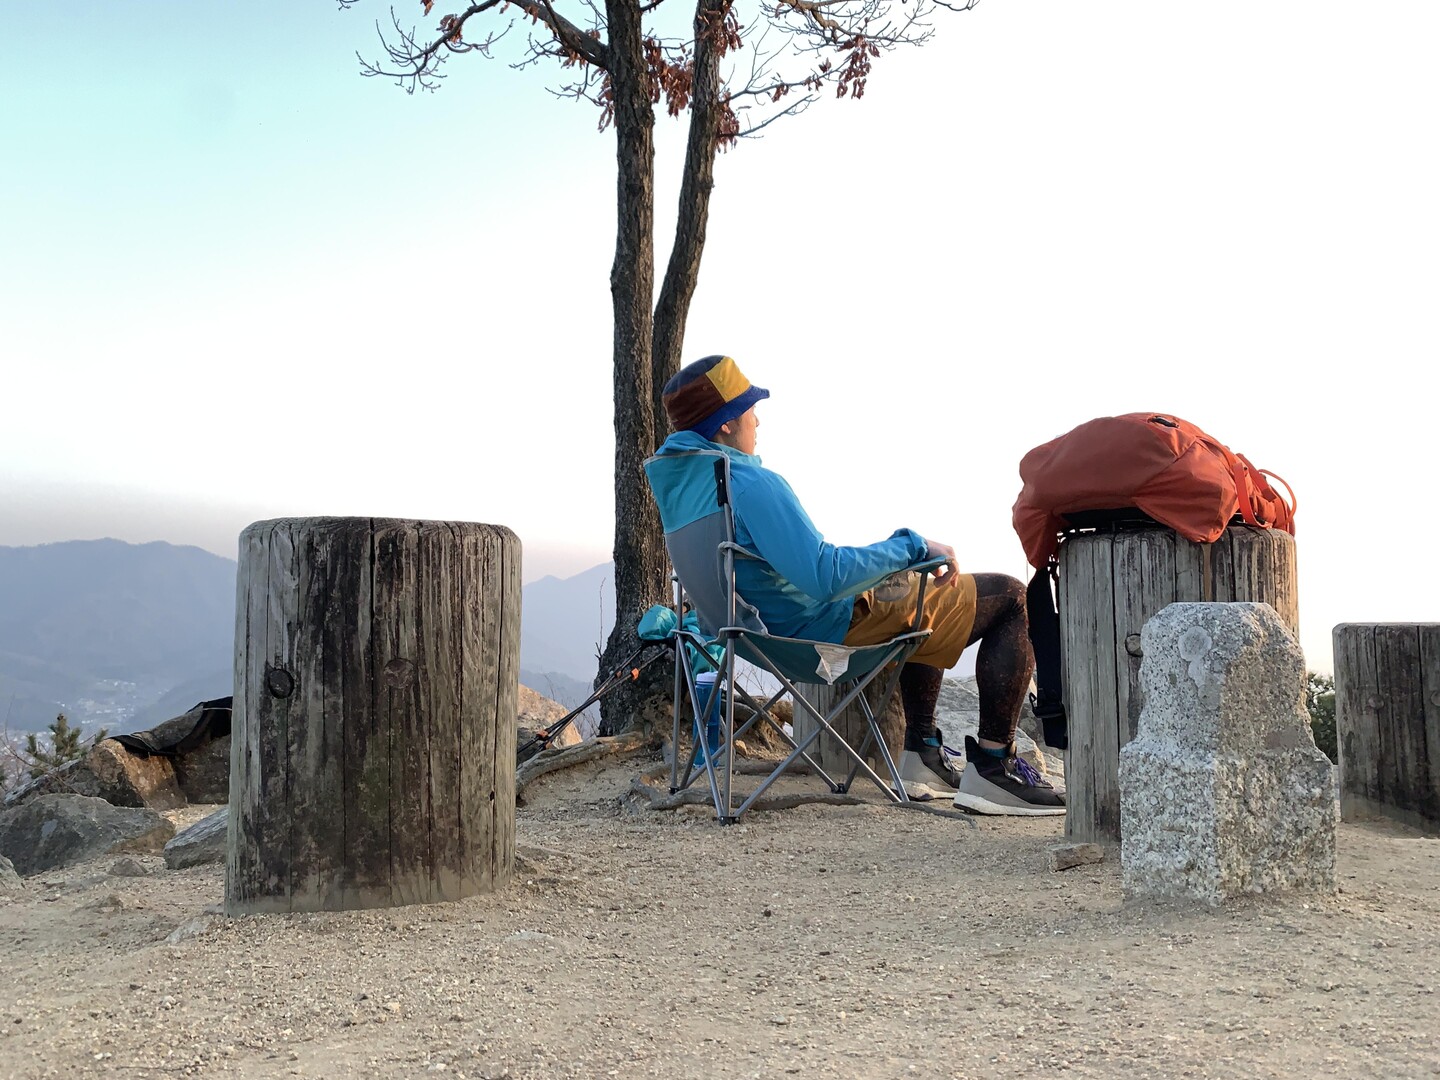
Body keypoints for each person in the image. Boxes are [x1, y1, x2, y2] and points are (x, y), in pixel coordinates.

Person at [650, 354, 1065, 816]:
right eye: (749, 408)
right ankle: (993, 768)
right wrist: (909, 545)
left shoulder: (685, 491)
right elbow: (825, 576)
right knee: (1010, 597)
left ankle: (922, 752)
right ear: (726, 423)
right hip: (824, 636)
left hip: (761, 641)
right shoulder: (747, 482)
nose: (757, 419)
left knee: (911, 592)